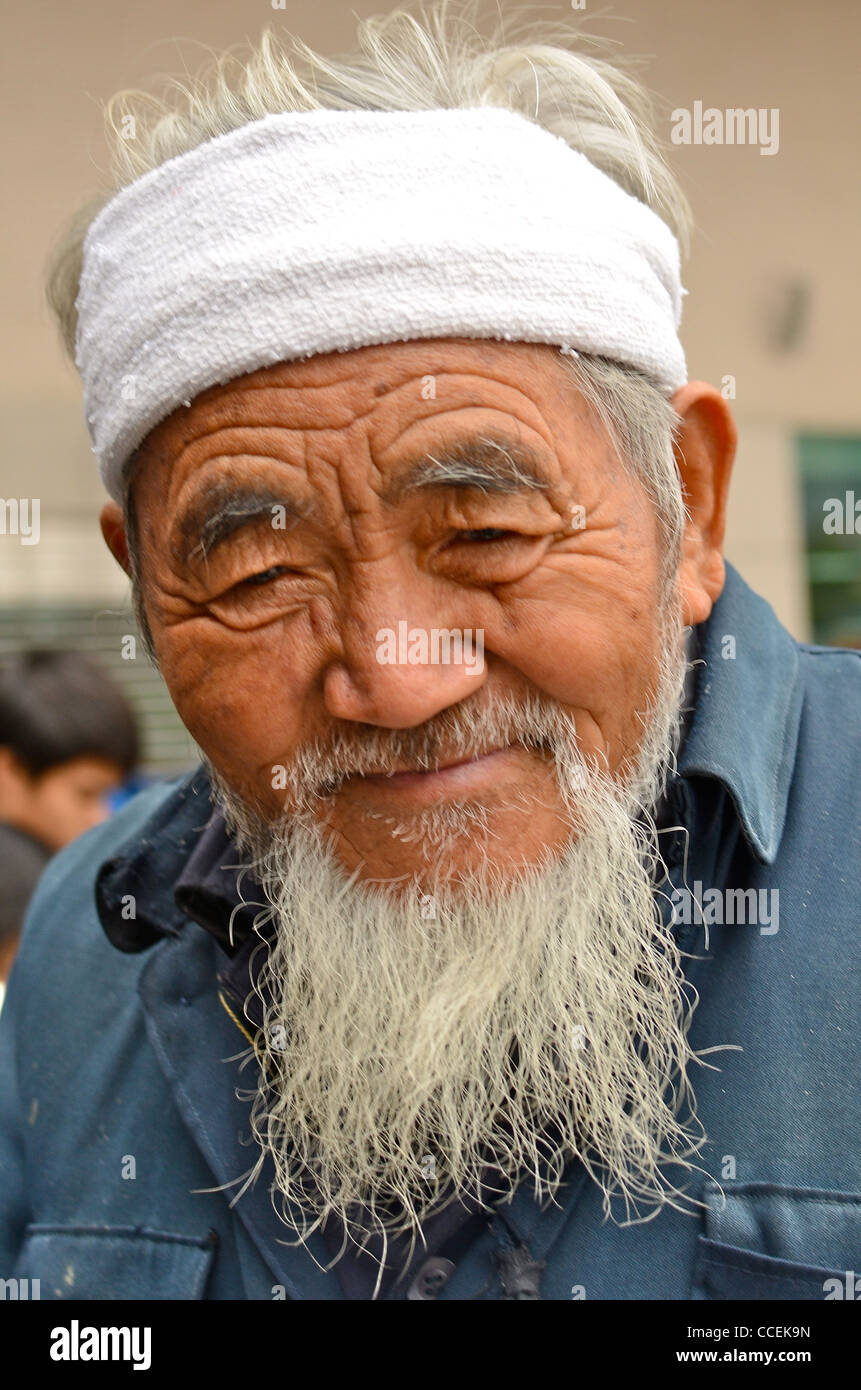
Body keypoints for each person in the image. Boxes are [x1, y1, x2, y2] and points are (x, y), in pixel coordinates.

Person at [0, 2, 857, 1301]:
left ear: (689, 503)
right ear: (145, 584)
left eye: (486, 532)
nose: (397, 679)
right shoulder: (81, 946)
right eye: (258, 573)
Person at [0, 650, 139, 1008]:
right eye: (85, 793)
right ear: (10, 771)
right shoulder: (23, 879)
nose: (101, 816)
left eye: (109, 795)